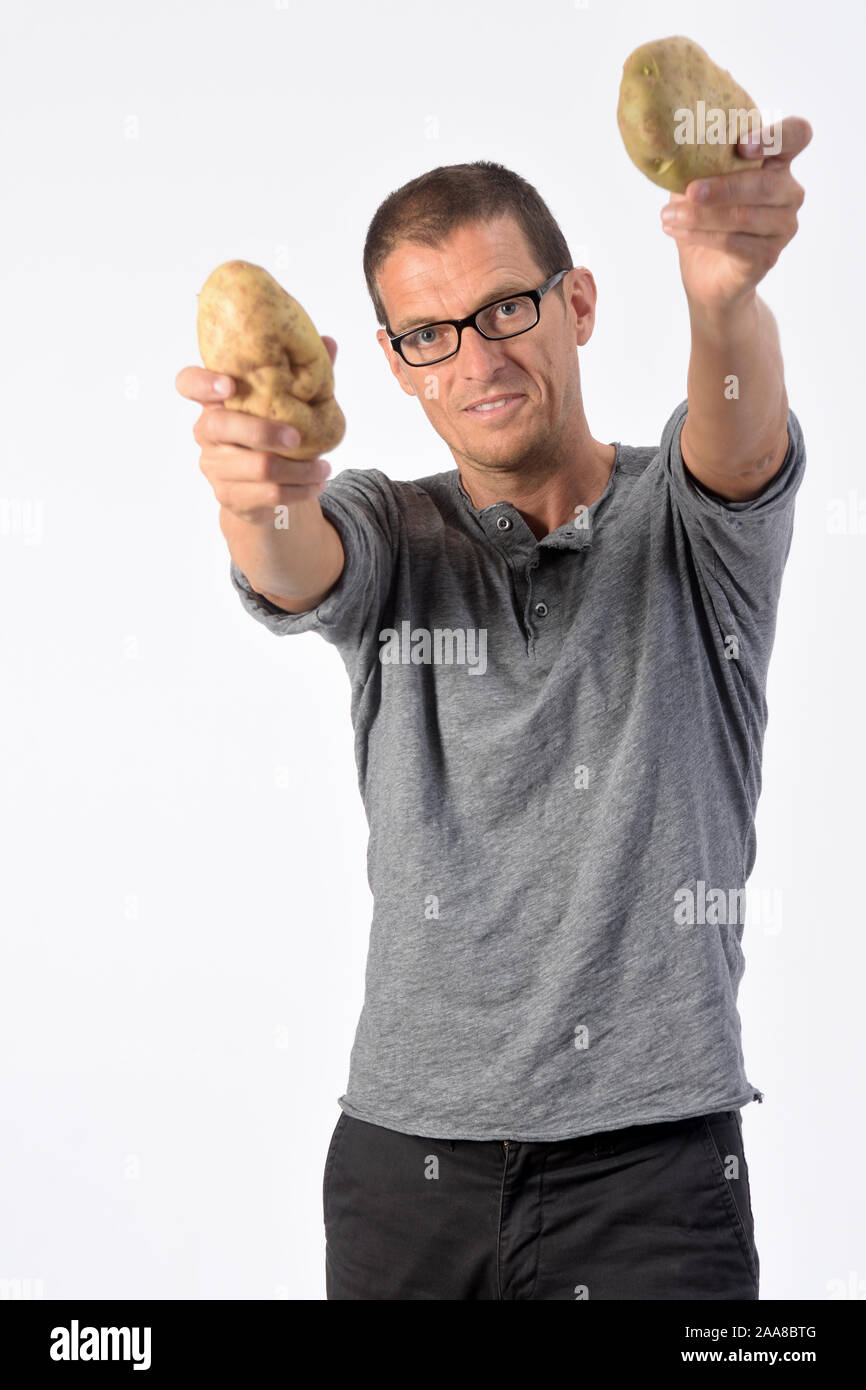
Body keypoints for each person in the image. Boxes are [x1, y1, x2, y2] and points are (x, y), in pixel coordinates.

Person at [176, 126, 811, 1300]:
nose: (476, 359)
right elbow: (290, 561)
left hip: (652, 1175)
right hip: (400, 1174)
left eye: (507, 308)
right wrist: (257, 488)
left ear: (575, 302)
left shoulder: (689, 518)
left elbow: (735, 434)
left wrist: (723, 301)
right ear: (395, 362)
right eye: (430, 334)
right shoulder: (386, 528)